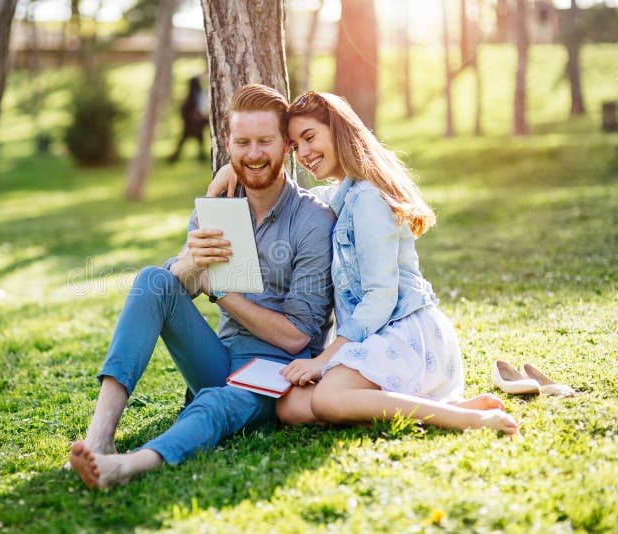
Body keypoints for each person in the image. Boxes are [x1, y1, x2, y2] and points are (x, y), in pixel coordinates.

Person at [68, 84, 336, 489]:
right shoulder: (219, 205)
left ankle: (128, 466)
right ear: (228, 144)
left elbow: (298, 337)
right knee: (152, 279)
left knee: (215, 403)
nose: (254, 153)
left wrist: (221, 293)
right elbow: (175, 290)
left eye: (265, 141)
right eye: (243, 142)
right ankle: (100, 435)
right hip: (220, 359)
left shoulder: (313, 221)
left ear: (286, 145)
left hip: (279, 375)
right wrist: (190, 264)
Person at [207, 91, 518, 435]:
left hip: (402, 331)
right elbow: (294, 197)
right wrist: (228, 170)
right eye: (296, 146)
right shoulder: (339, 196)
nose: (305, 153)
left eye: (310, 137)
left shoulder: (369, 198)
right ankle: (438, 407)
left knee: (327, 400)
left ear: (338, 130)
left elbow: (380, 300)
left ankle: (466, 419)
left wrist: (324, 359)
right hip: (371, 338)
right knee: (290, 407)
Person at [168, 74, 209, 162]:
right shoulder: (193, 92)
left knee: (198, 137)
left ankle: (201, 157)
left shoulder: (199, 91)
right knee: (187, 137)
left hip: (196, 119)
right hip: (190, 119)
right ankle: (173, 158)